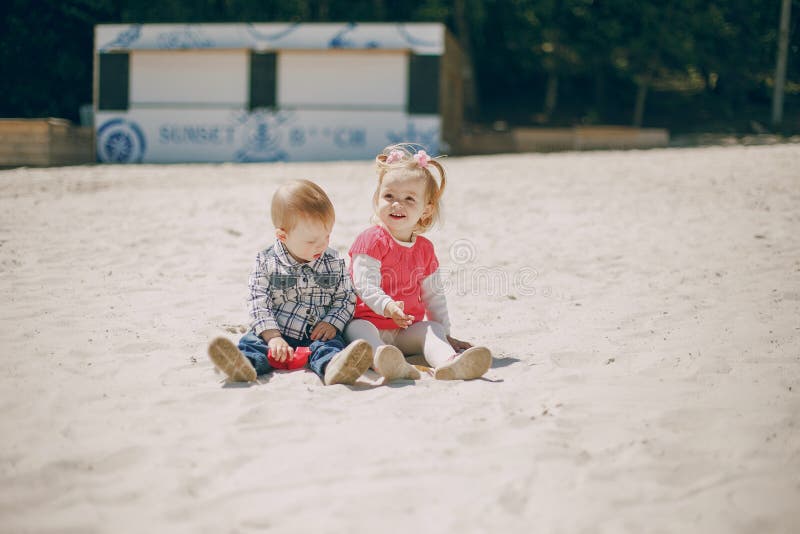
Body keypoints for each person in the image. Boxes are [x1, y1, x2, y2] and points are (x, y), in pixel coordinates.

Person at [345, 144, 492, 382]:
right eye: (389, 196)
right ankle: (383, 361)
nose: (396, 204)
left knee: (430, 330)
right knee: (357, 331)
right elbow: (364, 284)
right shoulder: (370, 240)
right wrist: (388, 306)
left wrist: (446, 333)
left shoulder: (424, 249)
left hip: (405, 330)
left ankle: (448, 362)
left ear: (426, 209)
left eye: (409, 199)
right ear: (377, 198)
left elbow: (434, 295)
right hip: (368, 321)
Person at [208, 179, 373, 385]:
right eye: (312, 241)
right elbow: (258, 300)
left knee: (330, 346)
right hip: (277, 330)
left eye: (327, 236)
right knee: (252, 343)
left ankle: (334, 367)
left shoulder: (332, 261)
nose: (321, 245)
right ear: (283, 236)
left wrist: (332, 322)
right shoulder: (266, 262)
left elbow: (346, 296)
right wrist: (273, 336)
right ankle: (244, 365)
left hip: (317, 333)